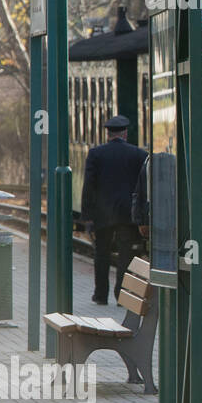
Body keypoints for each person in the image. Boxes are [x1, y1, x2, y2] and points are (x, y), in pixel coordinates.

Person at [80, 115, 148, 305]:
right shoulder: (138, 154)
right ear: (125, 133)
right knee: (127, 255)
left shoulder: (96, 154)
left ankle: (100, 295)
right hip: (128, 215)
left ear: (108, 133)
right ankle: (122, 296)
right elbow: (143, 188)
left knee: (101, 254)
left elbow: (89, 186)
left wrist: (87, 215)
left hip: (102, 215)